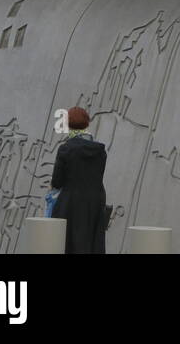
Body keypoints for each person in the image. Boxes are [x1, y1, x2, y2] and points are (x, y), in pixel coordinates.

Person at [50, 107, 108, 254]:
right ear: (87, 123)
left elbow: (57, 181)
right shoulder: (100, 151)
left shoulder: (65, 149)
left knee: (65, 245)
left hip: (70, 204)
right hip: (95, 203)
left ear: (68, 124)